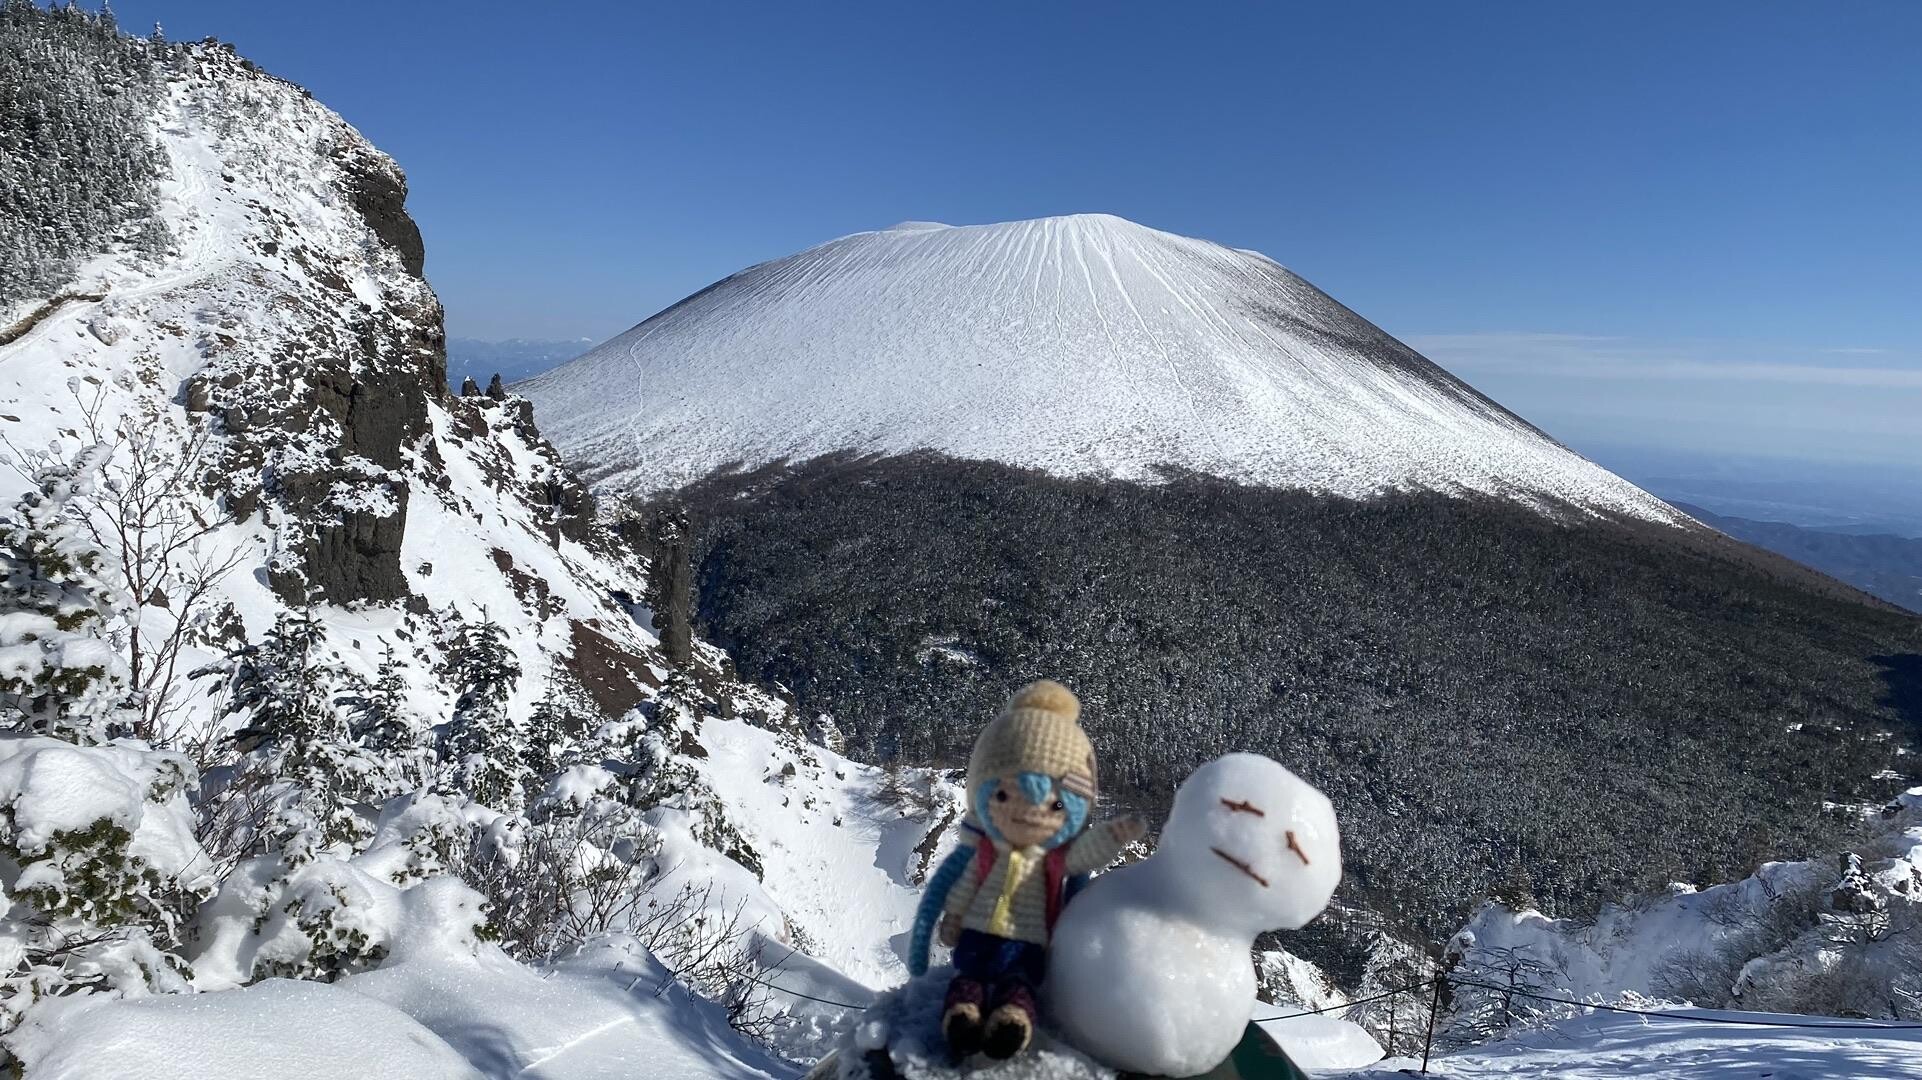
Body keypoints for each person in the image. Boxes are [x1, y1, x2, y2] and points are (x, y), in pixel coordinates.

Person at [908, 680, 1144, 1059]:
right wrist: (955, 914)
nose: (1028, 813)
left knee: (1019, 986)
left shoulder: (1051, 860)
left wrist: (1112, 836)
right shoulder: (987, 853)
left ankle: (1012, 1022)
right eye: (1002, 795)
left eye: (1055, 806)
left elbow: (1084, 854)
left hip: (1026, 944)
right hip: (979, 936)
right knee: (968, 979)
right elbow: (967, 884)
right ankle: (963, 1018)